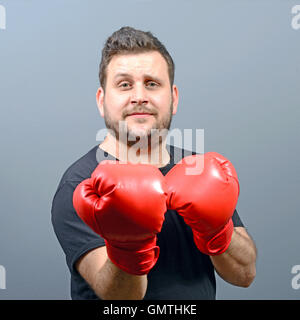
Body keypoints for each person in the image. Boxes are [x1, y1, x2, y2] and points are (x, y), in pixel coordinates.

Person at [51, 26, 257, 300]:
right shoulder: (81, 184)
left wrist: (218, 231)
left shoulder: (198, 169)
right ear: (102, 101)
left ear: (173, 98)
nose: (139, 96)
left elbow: (244, 274)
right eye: (124, 84)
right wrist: (129, 244)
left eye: (152, 83)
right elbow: (118, 298)